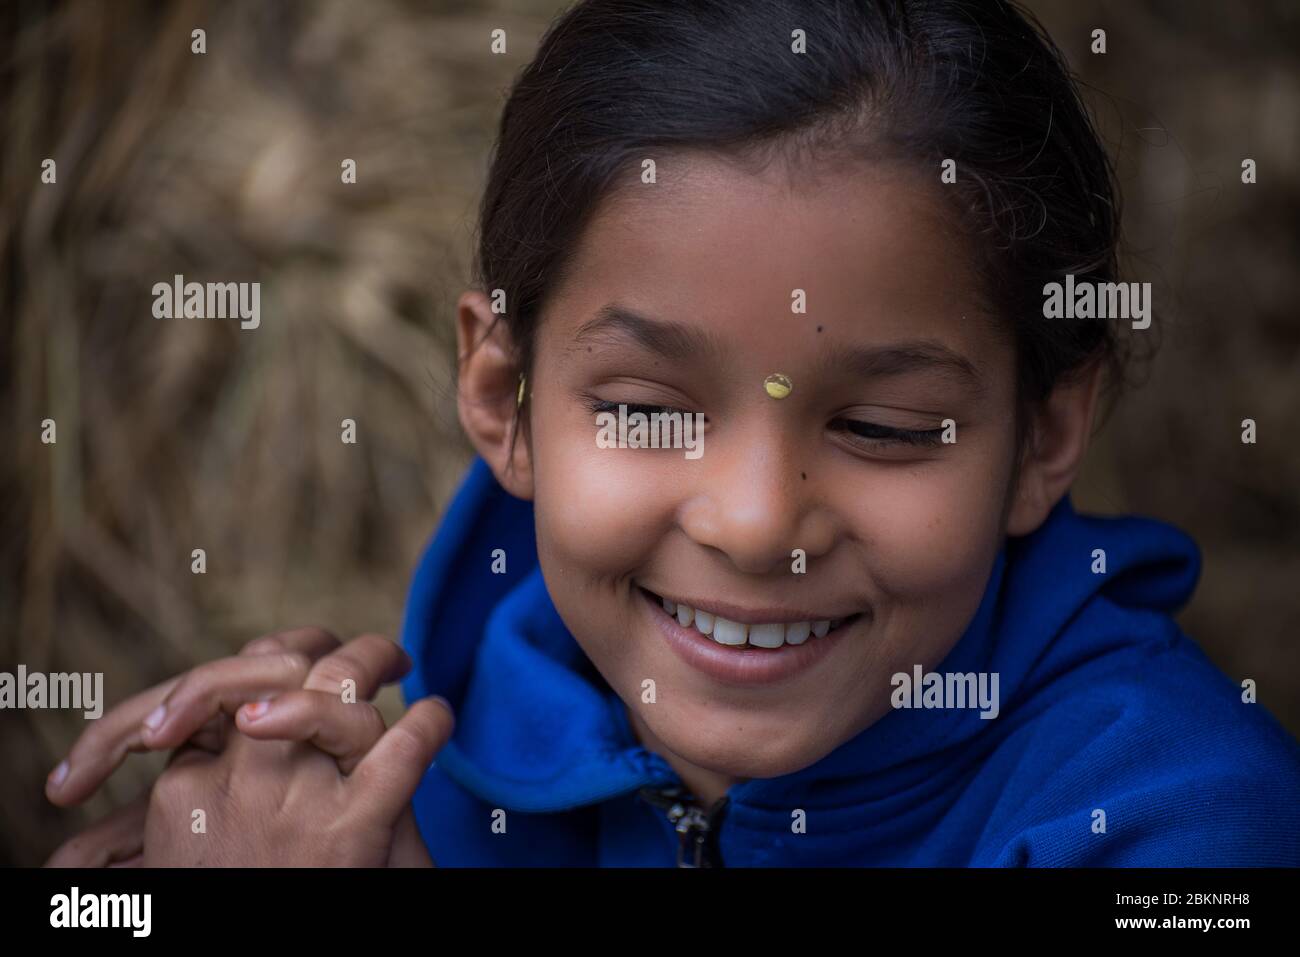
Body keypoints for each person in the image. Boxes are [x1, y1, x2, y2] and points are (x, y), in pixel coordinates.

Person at [45, 0, 1300, 867]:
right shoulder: (434, 768)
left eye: (882, 425)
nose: (754, 524)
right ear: (500, 398)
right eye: (645, 413)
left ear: (1042, 437)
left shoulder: (1177, 827)